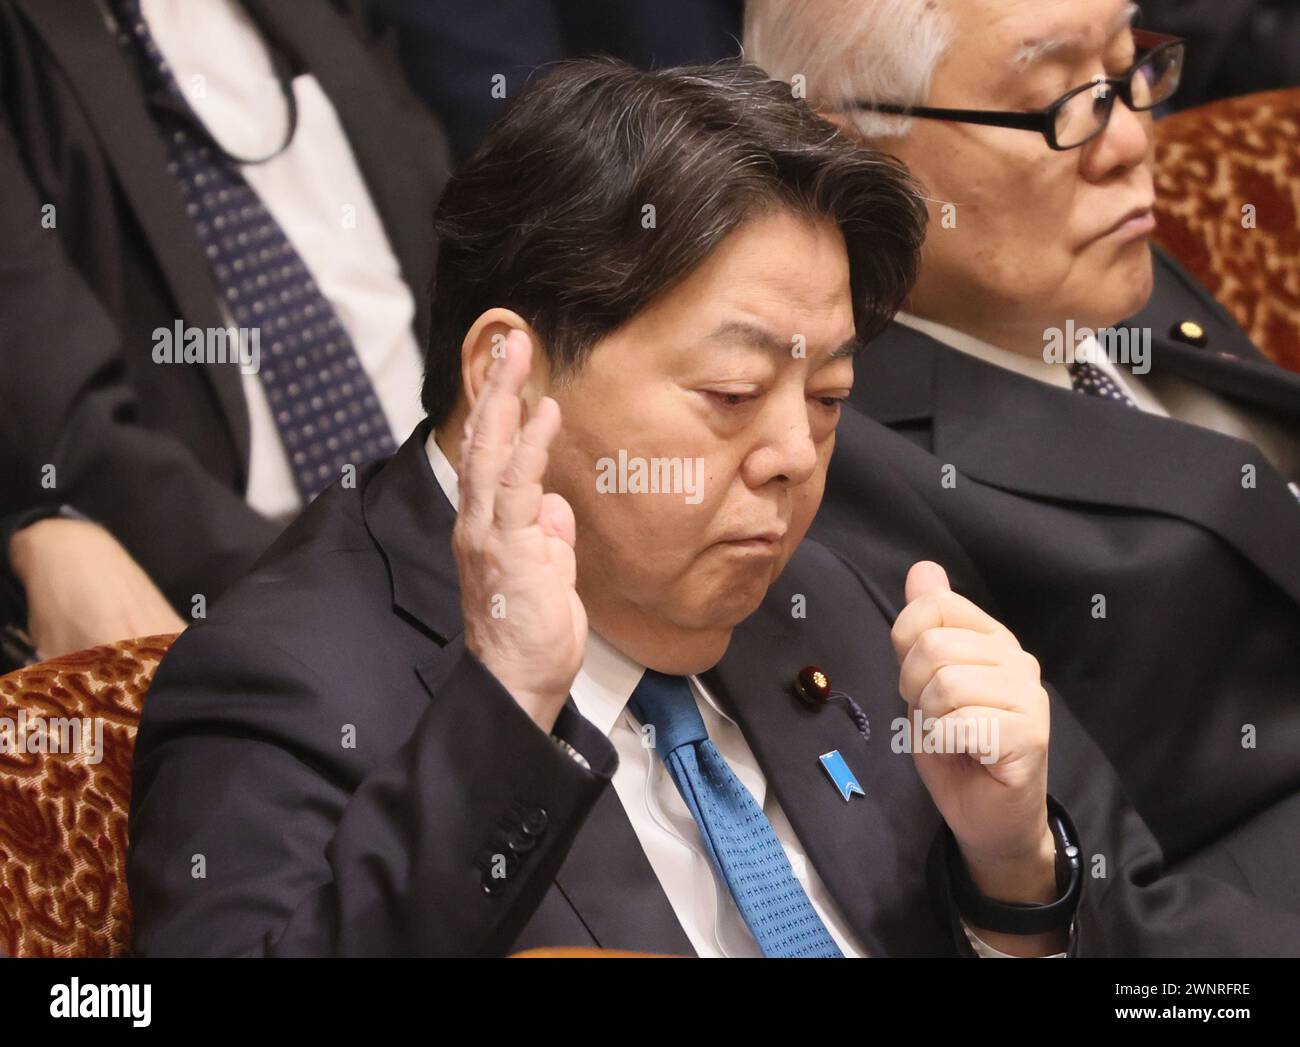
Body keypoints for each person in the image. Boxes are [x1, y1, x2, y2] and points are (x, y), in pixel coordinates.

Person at [128, 60, 1300, 957]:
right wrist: (505, 712)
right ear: (507, 377)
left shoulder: (833, 580)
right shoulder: (288, 679)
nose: (794, 454)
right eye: (731, 394)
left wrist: (1013, 879)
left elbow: (1168, 959)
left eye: (832, 394)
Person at [746, 0, 1300, 909]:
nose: (1129, 141)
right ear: (840, 151)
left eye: (1129, 73)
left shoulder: (1086, 261)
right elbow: (1106, 902)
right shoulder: (839, 471)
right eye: (1054, 102)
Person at [0, 0, 450, 665]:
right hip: (265, 600)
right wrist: (378, 591)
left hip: (471, 513)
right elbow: (69, 437)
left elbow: (463, 247)